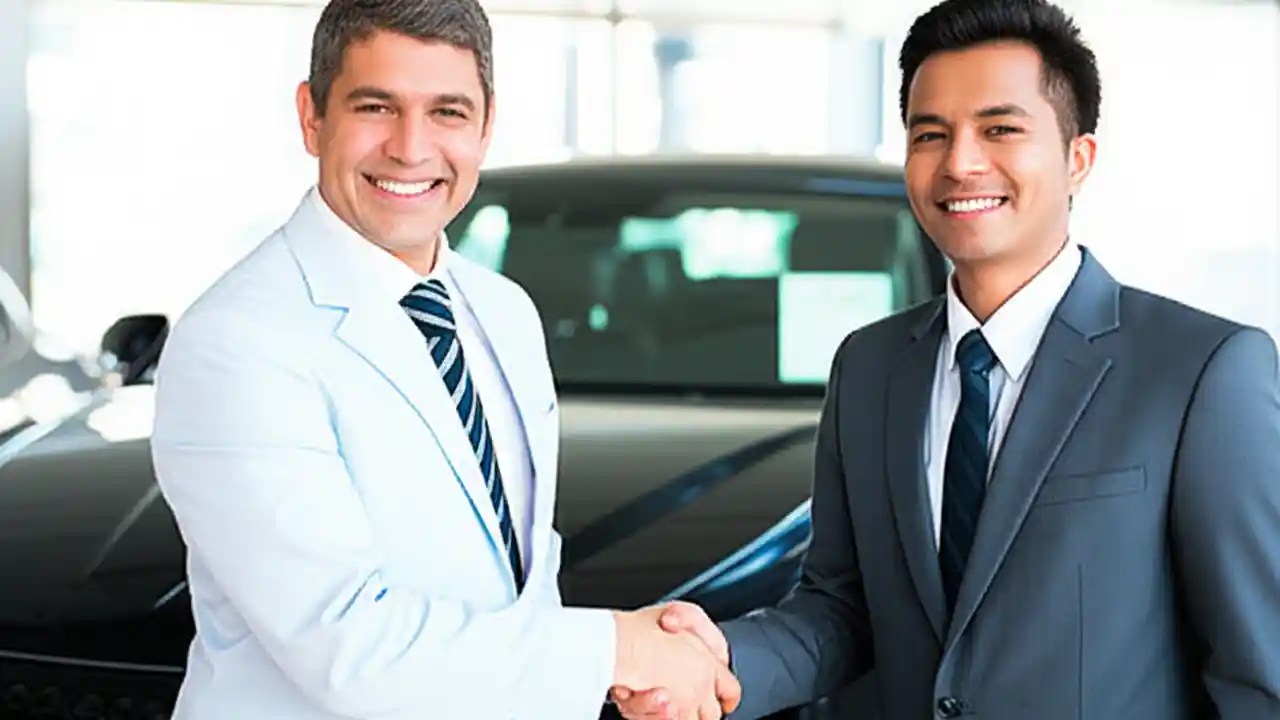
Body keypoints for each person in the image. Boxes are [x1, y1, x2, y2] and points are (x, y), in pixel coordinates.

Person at [613, 0, 1280, 718]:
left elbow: (1258, 670)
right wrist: (719, 667)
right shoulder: (869, 368)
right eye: (930, 134)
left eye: (1000, 129)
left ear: (1077, 157)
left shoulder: (1202, 371)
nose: (960, 163)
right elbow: (843, 610)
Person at [150, 1, 739, 718]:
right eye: (376, 107)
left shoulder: (503, 312)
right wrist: (619, 651)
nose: (410, 148)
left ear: (486, 125)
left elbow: (518, 575)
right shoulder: (239, 341)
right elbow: (349, 644)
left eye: (448, 113)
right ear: (312, 117)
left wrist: (613, 675)